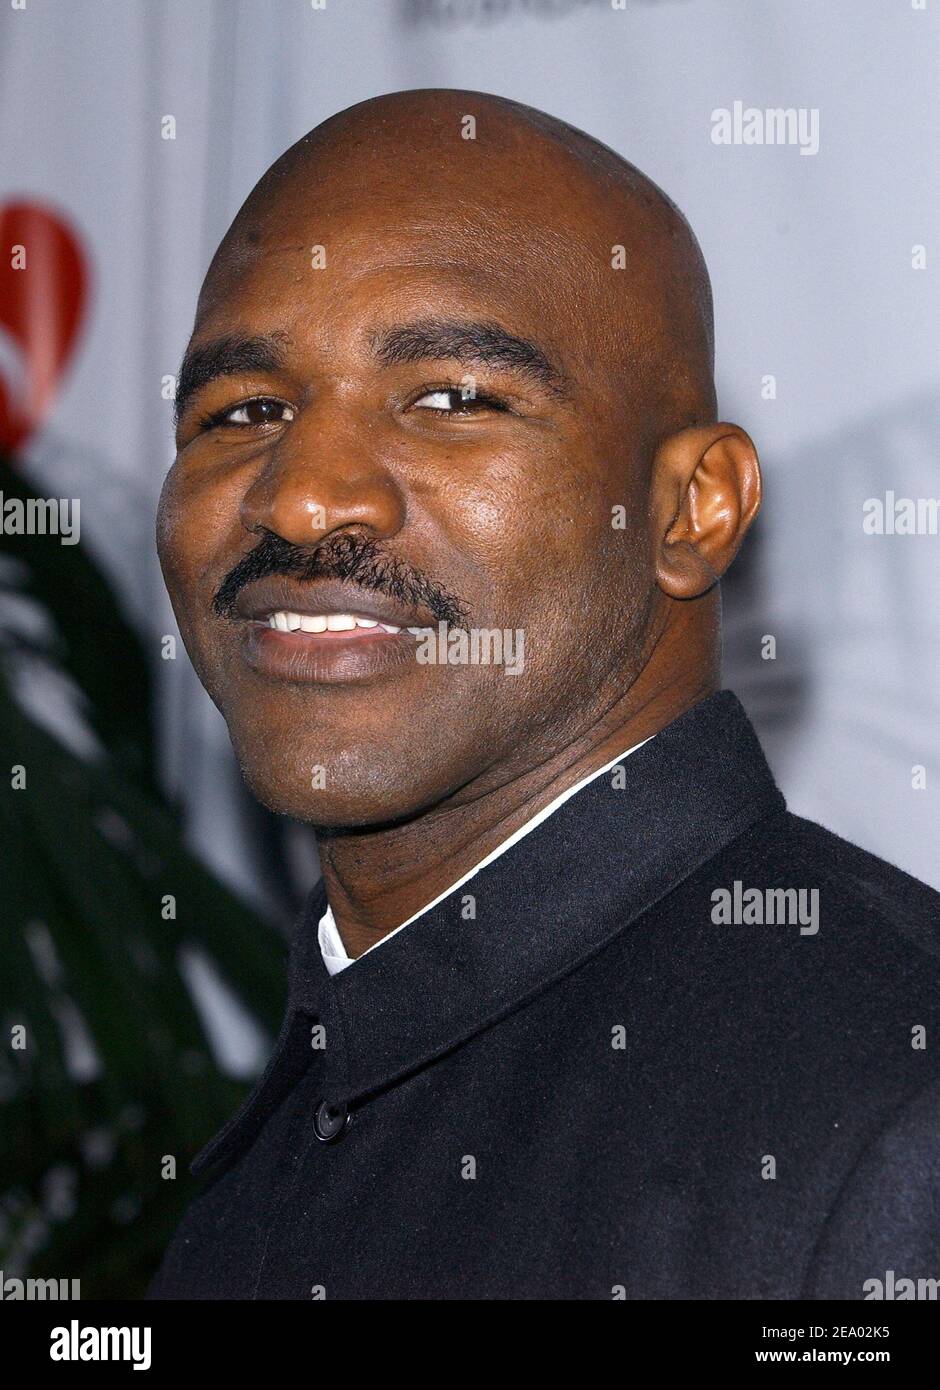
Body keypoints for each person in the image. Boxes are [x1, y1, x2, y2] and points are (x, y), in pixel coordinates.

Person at [149, 89, 940, 1300]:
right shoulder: (290, 1133)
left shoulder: (894, 1123)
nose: (300, 498)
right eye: (243, 411)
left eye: (453, 398)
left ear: (691, 512)